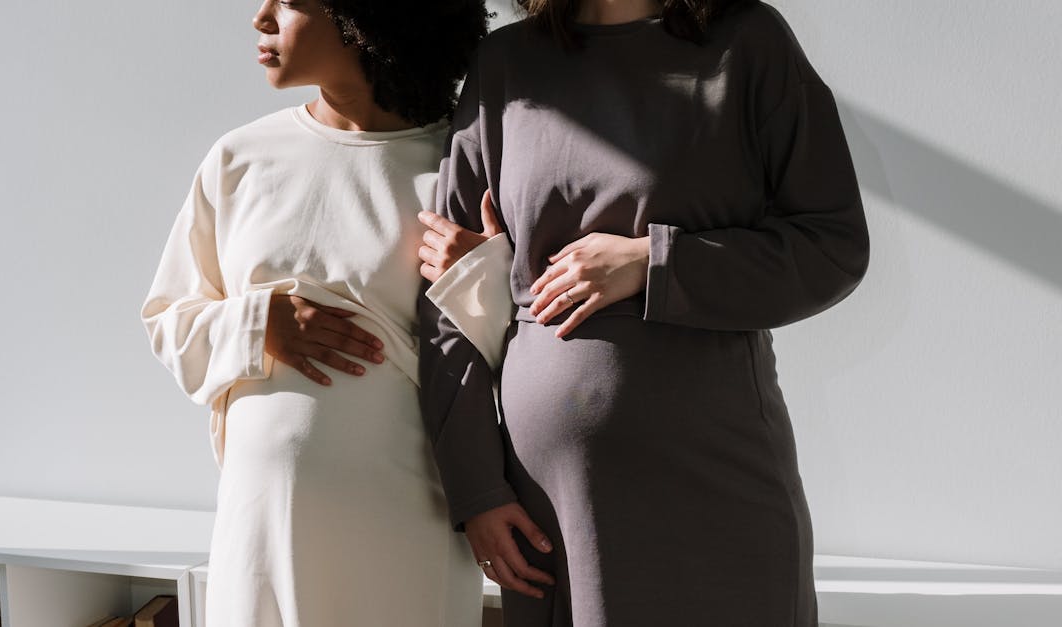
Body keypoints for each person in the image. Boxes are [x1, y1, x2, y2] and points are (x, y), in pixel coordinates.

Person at [417, 0, 871, 625]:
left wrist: (652, 262)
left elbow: (833, 246)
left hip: (716, 481)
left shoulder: (748, 44)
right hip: (550, 508)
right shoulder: (504, 64)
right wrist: (477, 490)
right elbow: (445, 301)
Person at [139, 1, 495, 624]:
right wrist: (259, 325)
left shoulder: (460, 165)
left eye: (290, 0)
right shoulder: (240, 159)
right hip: (259, 524)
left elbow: (516, 356)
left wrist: (485, 277)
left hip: (407, 523)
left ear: (365, 14)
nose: (261, 18)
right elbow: (169, 321)